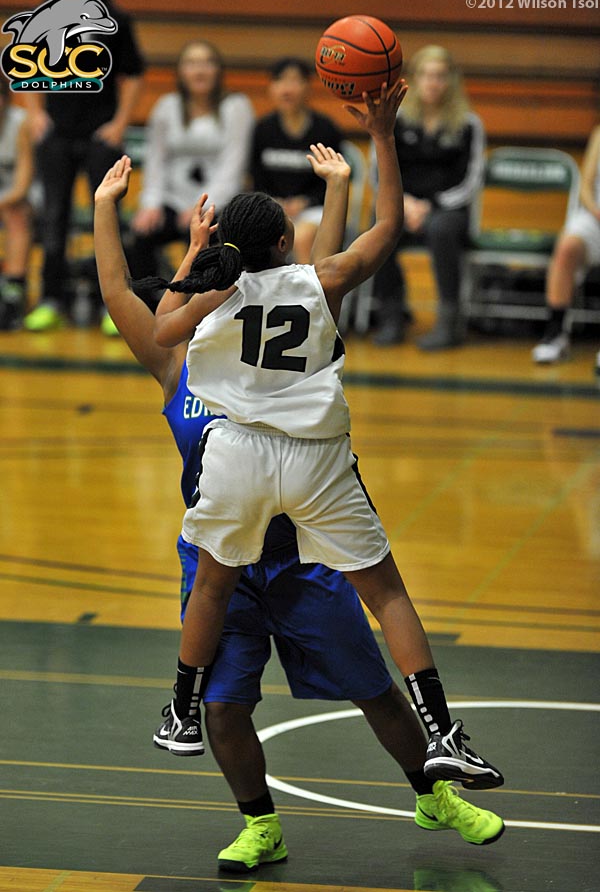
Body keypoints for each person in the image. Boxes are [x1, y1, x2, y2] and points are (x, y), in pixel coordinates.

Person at [96, 80, 504, 814]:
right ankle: (443, 730)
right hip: (314, 461)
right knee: (386, 592)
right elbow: (379, 233)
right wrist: (378, 140)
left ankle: (180, 708)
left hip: (245, 469)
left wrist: (189, 254)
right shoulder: (317, 285)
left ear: (222, 249)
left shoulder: (206, 309)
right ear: (287, 242)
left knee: (216, 588)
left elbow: (157, 318)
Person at [21, 0, 144, 336]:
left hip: (100, 136)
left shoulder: (116, 19)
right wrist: (34, 113)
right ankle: (50, 300)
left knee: (107, 218)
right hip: (56, 135)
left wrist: (120, 123)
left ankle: (113, 305)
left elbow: (133, 74)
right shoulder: (43, 13)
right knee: (53, 218)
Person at [369, 45, 485, 349]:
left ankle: (449, 322)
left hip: (448, 208)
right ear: (414, 79)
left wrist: (430, 205)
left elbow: (471, 180)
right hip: (402, 205)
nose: (433, 82)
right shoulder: (394, 120)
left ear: (451, 81)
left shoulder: (468, 123)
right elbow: (379, 172)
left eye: (440, 76)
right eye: (426, 75)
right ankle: (391, 315)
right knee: (378, 226)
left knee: (441, 228)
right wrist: (404, 204)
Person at [126, 39, 254, 305]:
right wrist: (151, 203)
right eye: (192, 63)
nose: (200, 70)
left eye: (207, 63)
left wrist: (202, 207)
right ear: (181, 71)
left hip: (217, 204)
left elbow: (233, 166)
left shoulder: (236, 107)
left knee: (204, 240)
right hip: (172, 200)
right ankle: (148, 307)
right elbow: (156, 161)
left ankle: (198, 311)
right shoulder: (166, 107)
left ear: (218, 70)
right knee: (140, 235)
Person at [250, 57, 344, 264]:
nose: (287, 89)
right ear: (271, 88)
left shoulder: (325, 129)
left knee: (301, 237)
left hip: (315, 209)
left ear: (308, 87)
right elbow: (256, 178)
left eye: (294, 80)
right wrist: (273, 201)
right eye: (281, 80)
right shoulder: (262, 129)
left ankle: (308, 286)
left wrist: (306, 202)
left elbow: (334, 180)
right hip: (272, 207)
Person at [532, 125, 600, 370]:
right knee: (566, 248)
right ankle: (555, 333)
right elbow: (585, 186)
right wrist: (595, 210)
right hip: (595, 216)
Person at [0, 75, 34, 330]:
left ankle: (13, 290)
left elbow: (22, 185)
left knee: (15, 213)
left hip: (21, 196)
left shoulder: (20, 123)